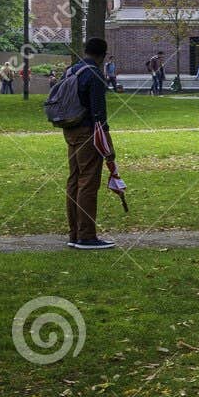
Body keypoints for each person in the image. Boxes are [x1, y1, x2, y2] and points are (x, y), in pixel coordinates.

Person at [60, 36, 117, 249]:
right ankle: (87, 236)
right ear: (102, 55)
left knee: (74, 180)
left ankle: (74, 233)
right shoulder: (94, 74)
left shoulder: (72, 70)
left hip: (70, 130)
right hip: (87, 133)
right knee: (88, 183)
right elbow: (99, 114)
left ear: (86, 50)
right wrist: (108, 146)